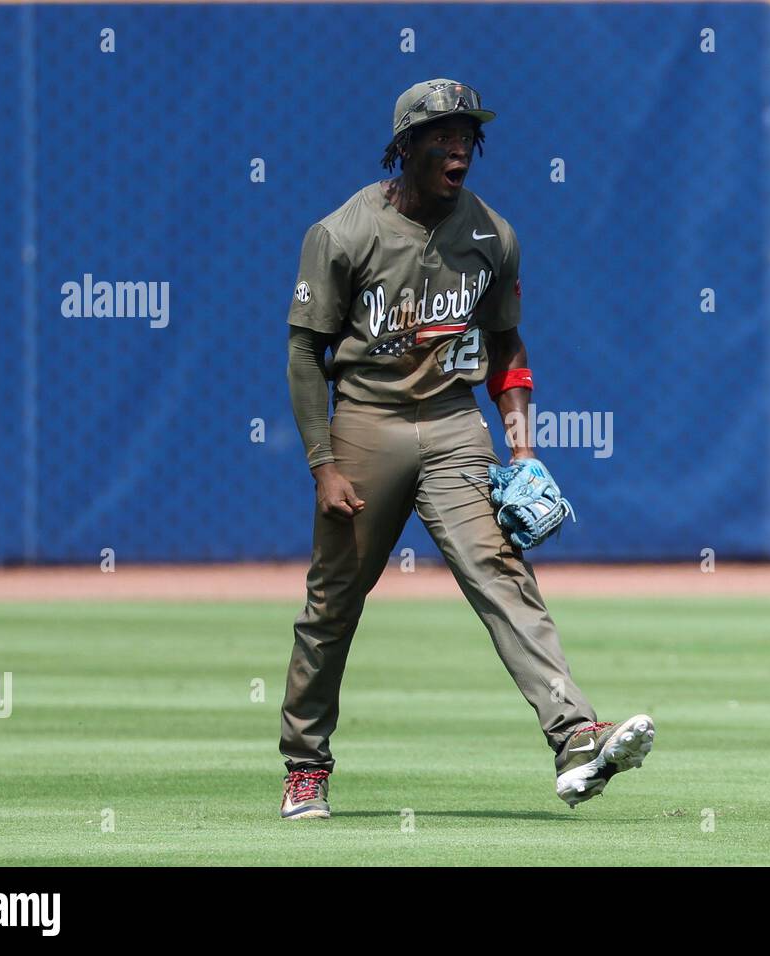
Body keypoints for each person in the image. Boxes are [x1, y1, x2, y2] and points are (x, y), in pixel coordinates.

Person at [278, 79, 654, 819]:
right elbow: (304, 354)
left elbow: (508, 346)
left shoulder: (492, 235)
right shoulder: (344, 233)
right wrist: (323, 464)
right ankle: (305, 766)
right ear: (405, 145)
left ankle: (576, 735)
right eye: (443, 135)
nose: (459, 149)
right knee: (332, 605)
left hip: (454, 423)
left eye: (467, 136)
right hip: (366, 421)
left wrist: (523, 452)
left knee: (502, 574)